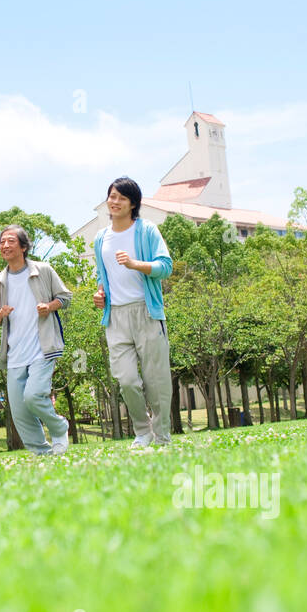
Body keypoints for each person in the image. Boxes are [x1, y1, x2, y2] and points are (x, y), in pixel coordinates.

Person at [92, 177, 174, 447]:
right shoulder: (101, 238)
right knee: (126, 379)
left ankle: (161, 436)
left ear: (133, 204)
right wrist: (99, 293)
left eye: (121, 198)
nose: (114, 202)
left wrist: (135, 264)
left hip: (147, 313)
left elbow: (165, 266)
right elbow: (102, 277)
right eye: (111, 196)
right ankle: (142, 431)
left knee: (156, 380)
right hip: (115, 317)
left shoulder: (147, 230)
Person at [0, 225, 73, 455]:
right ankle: (42, 452)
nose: (5, 245)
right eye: (2, 242)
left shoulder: (42, 270)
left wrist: (49, 306)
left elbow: (65, 297)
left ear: (23, 247)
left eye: (11, 241)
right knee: (19, 411)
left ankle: (59, 427)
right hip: (14, 353)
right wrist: (0, 314)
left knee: (34, 396)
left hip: (43, 348)